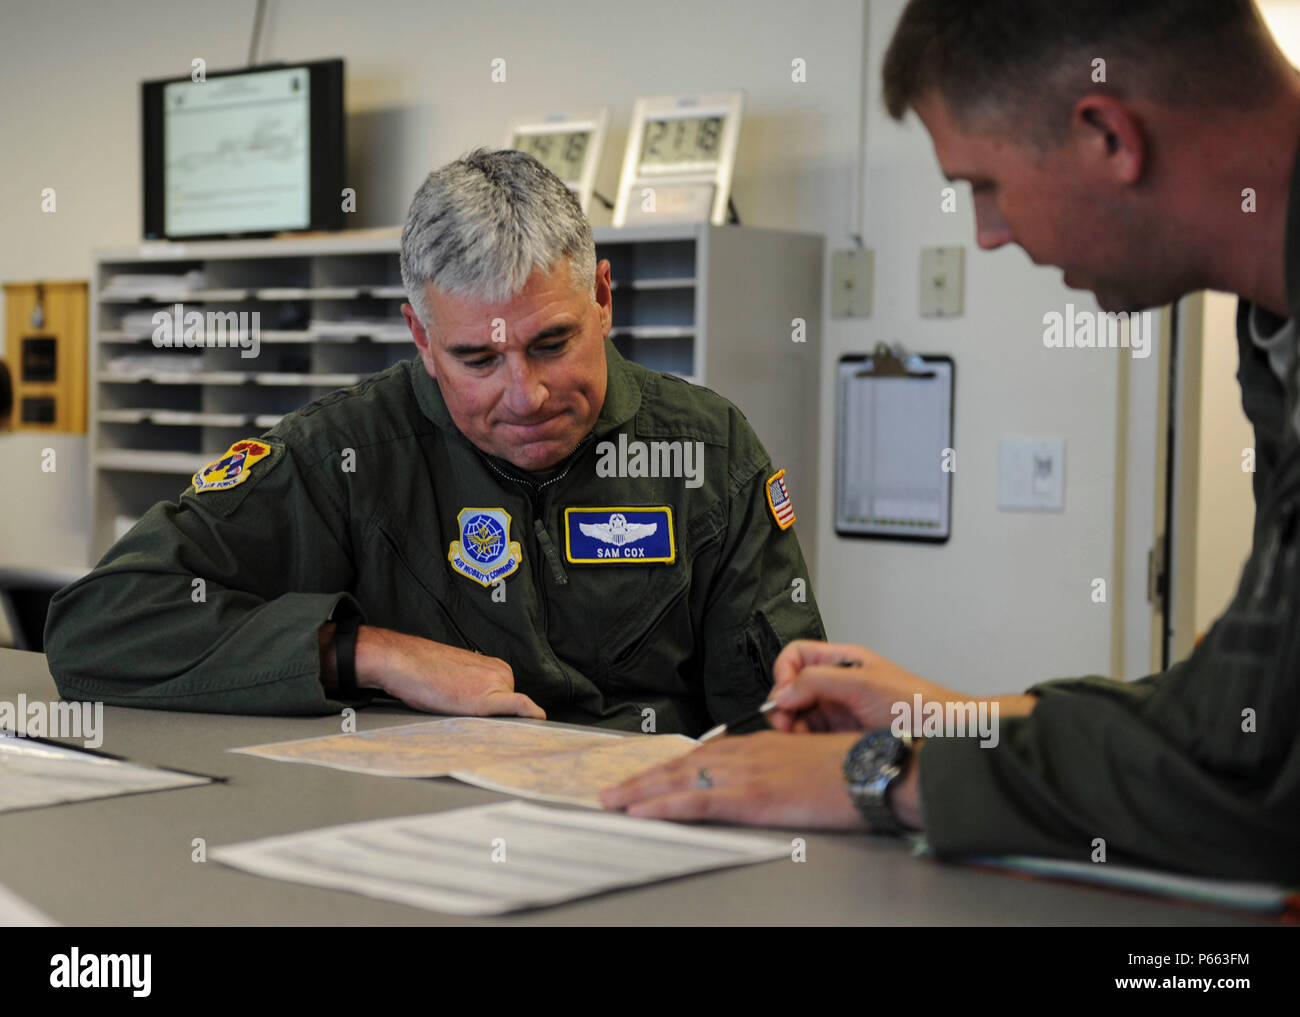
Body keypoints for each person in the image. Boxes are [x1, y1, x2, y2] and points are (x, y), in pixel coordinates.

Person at [604, 0, 1300, 881]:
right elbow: (1243, 710)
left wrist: (881, 774)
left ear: (1107, 137)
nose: (988, 234)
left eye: (983, 184)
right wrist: (948, 715)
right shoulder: (1273, 328)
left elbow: (1254, 784)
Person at [44, 148, 825, 735]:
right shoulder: (344, 455)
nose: (525, 395)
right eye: (478, 359)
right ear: (420, 336)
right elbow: (99, 624)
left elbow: (779, 727)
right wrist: (369, 652)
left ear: (603, 298)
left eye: (552, 342)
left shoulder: (709, 455)